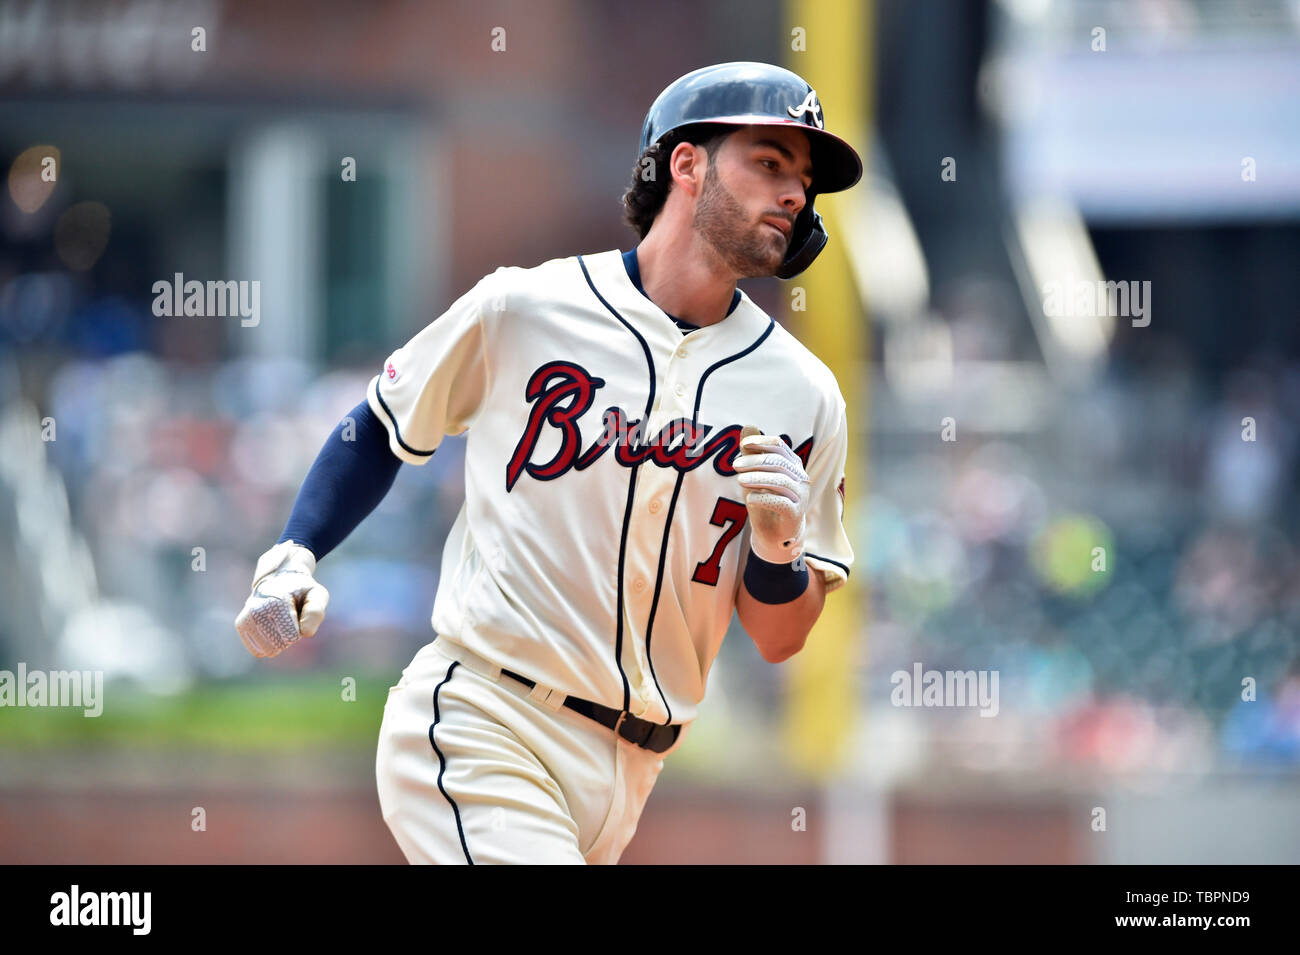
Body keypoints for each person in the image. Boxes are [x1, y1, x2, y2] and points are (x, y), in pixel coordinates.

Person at [234, 61, 862, 864]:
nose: (794, 195)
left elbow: (779, 639)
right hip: (484, 721)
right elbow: (384, 423)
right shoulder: (527, 306)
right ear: (687, 163)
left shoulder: (803, 393)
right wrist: (297, 548)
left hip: (635, 771)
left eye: (804, 180)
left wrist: (776, 551)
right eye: (770, 163)